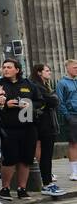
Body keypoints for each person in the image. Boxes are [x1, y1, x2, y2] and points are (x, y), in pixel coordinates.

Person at [0, 58, 38, 199]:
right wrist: (5, 105)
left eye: (9, 67)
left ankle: (22, 188)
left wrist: (30, 105)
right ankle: (5, 188)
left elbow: (40, 102)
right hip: (8, 128)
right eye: (4, 67)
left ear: (17, 70)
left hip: (28, 127)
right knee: (9, 159)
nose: (5, 70)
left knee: (26, 159)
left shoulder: (29, 84)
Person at [30, 64, 62, 196]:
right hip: (43, 124)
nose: (49, 73)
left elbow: (55, 100)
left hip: (48, 123)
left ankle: (48, 181)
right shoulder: (37, 86)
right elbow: (52, 101)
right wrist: (52, 99)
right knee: (45, 155)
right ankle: (47, 183)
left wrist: (52, 99)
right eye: (47, 70)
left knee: (47, 156)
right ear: (39, 72)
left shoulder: (46, 85)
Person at [59, 58, 77, 182]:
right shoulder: (62, 83)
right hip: (72, 115)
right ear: (68, 68)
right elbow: (60, 101)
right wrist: (68, 116)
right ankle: (74, 172)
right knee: (73, 143)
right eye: (75, 67)